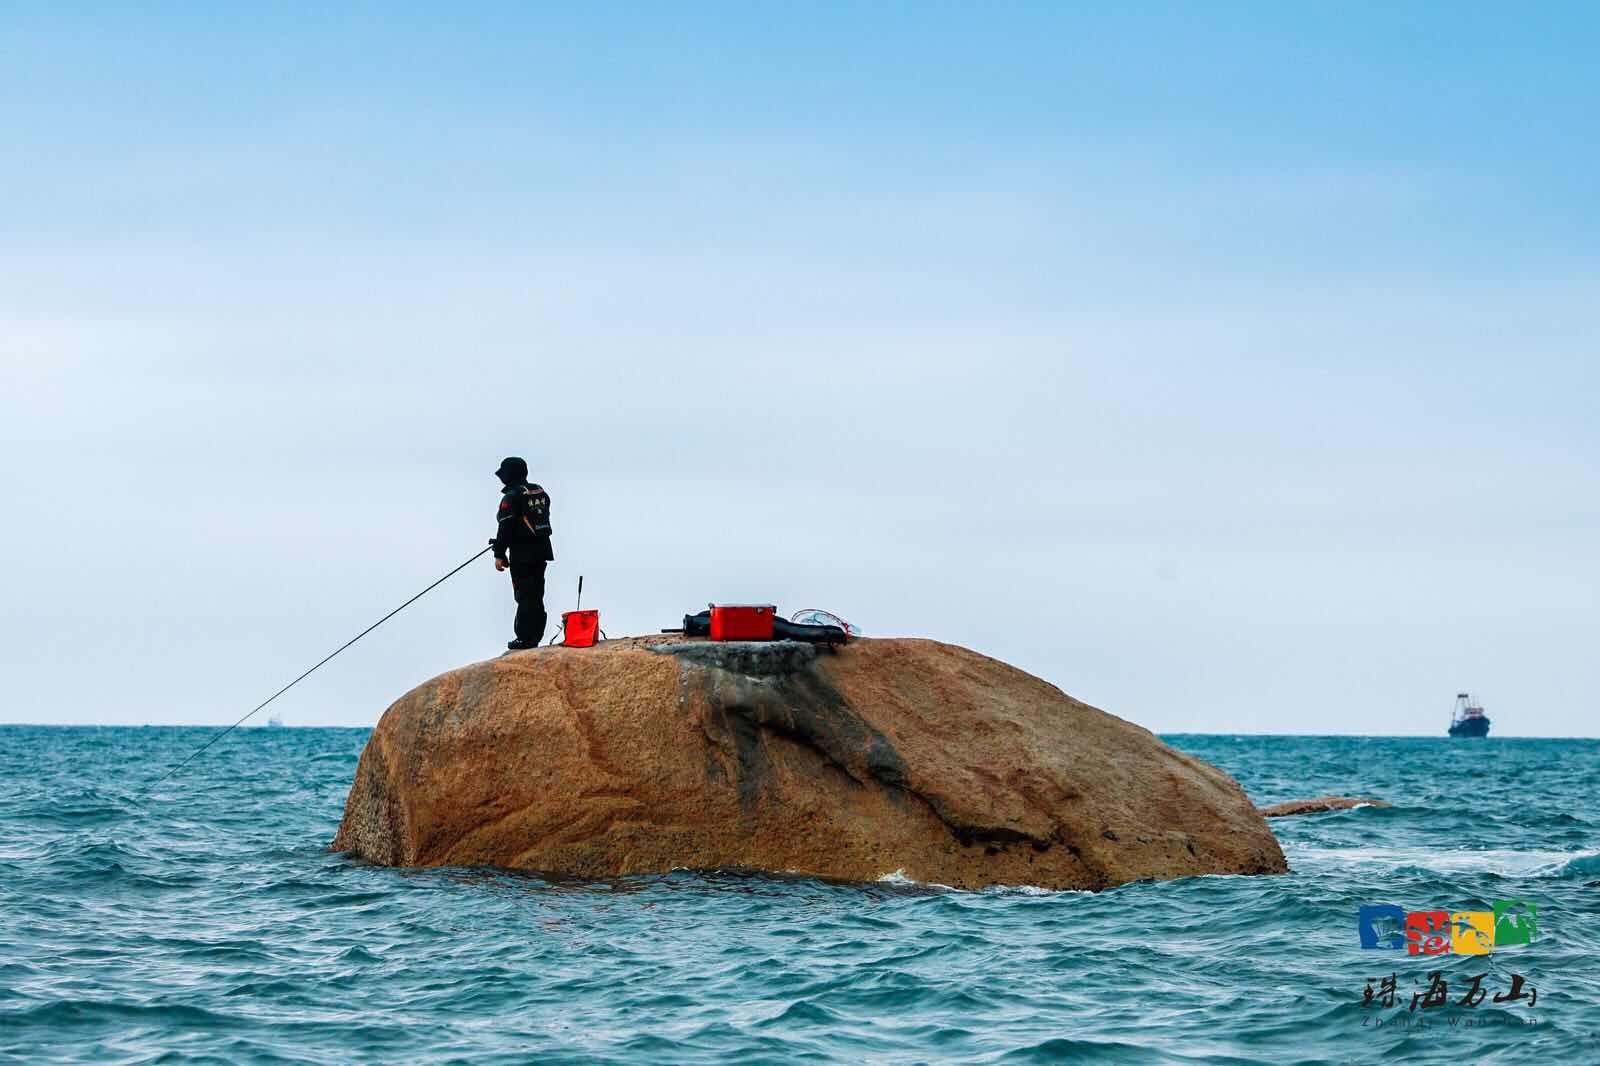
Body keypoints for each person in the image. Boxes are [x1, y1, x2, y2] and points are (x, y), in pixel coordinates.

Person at [490, 456, 554, 650]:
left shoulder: (511, 498)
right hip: (541, 552)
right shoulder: (539, 492)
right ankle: (534, 635)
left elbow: (506, 528)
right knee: (536, 594)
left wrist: (499, 554)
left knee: (524, 595)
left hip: (522, 555)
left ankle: (525, 639)